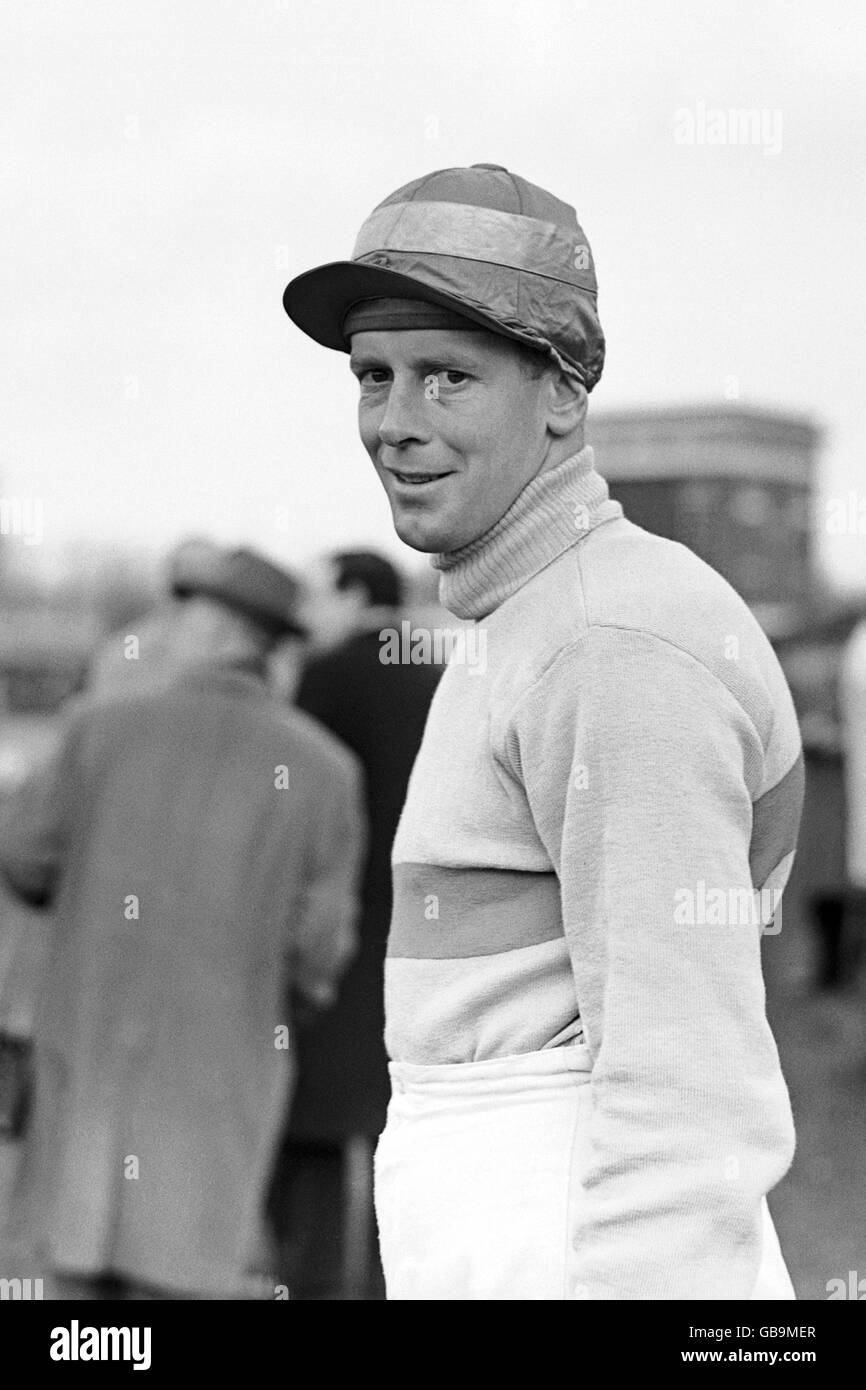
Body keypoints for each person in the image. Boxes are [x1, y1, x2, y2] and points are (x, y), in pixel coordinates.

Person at [282, 163, 805, 1300]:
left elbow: (683, 1080)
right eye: (373, 377)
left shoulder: (606, 634)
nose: (394, 422)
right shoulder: (531, 612)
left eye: (447, 378)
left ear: (560, 392)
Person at [0, 546, 365, 1299]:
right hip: (220, 1080)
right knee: (182, 1278)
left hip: (88, 1054)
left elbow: (24, 857)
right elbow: (320, 949)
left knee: (76, 1301)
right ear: (276, 649)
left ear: (212, 628)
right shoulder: (325, 770)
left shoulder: (98, 731)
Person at [272, 550, 441, 1299]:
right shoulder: (434, 675)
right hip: (417, 927)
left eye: (320, 589)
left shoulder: (326, 676)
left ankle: (306, 1285)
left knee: (311, 1130)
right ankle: (387, 1288)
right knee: (395, 1136)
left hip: (335, 922)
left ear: (351, 591)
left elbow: (297, 807)